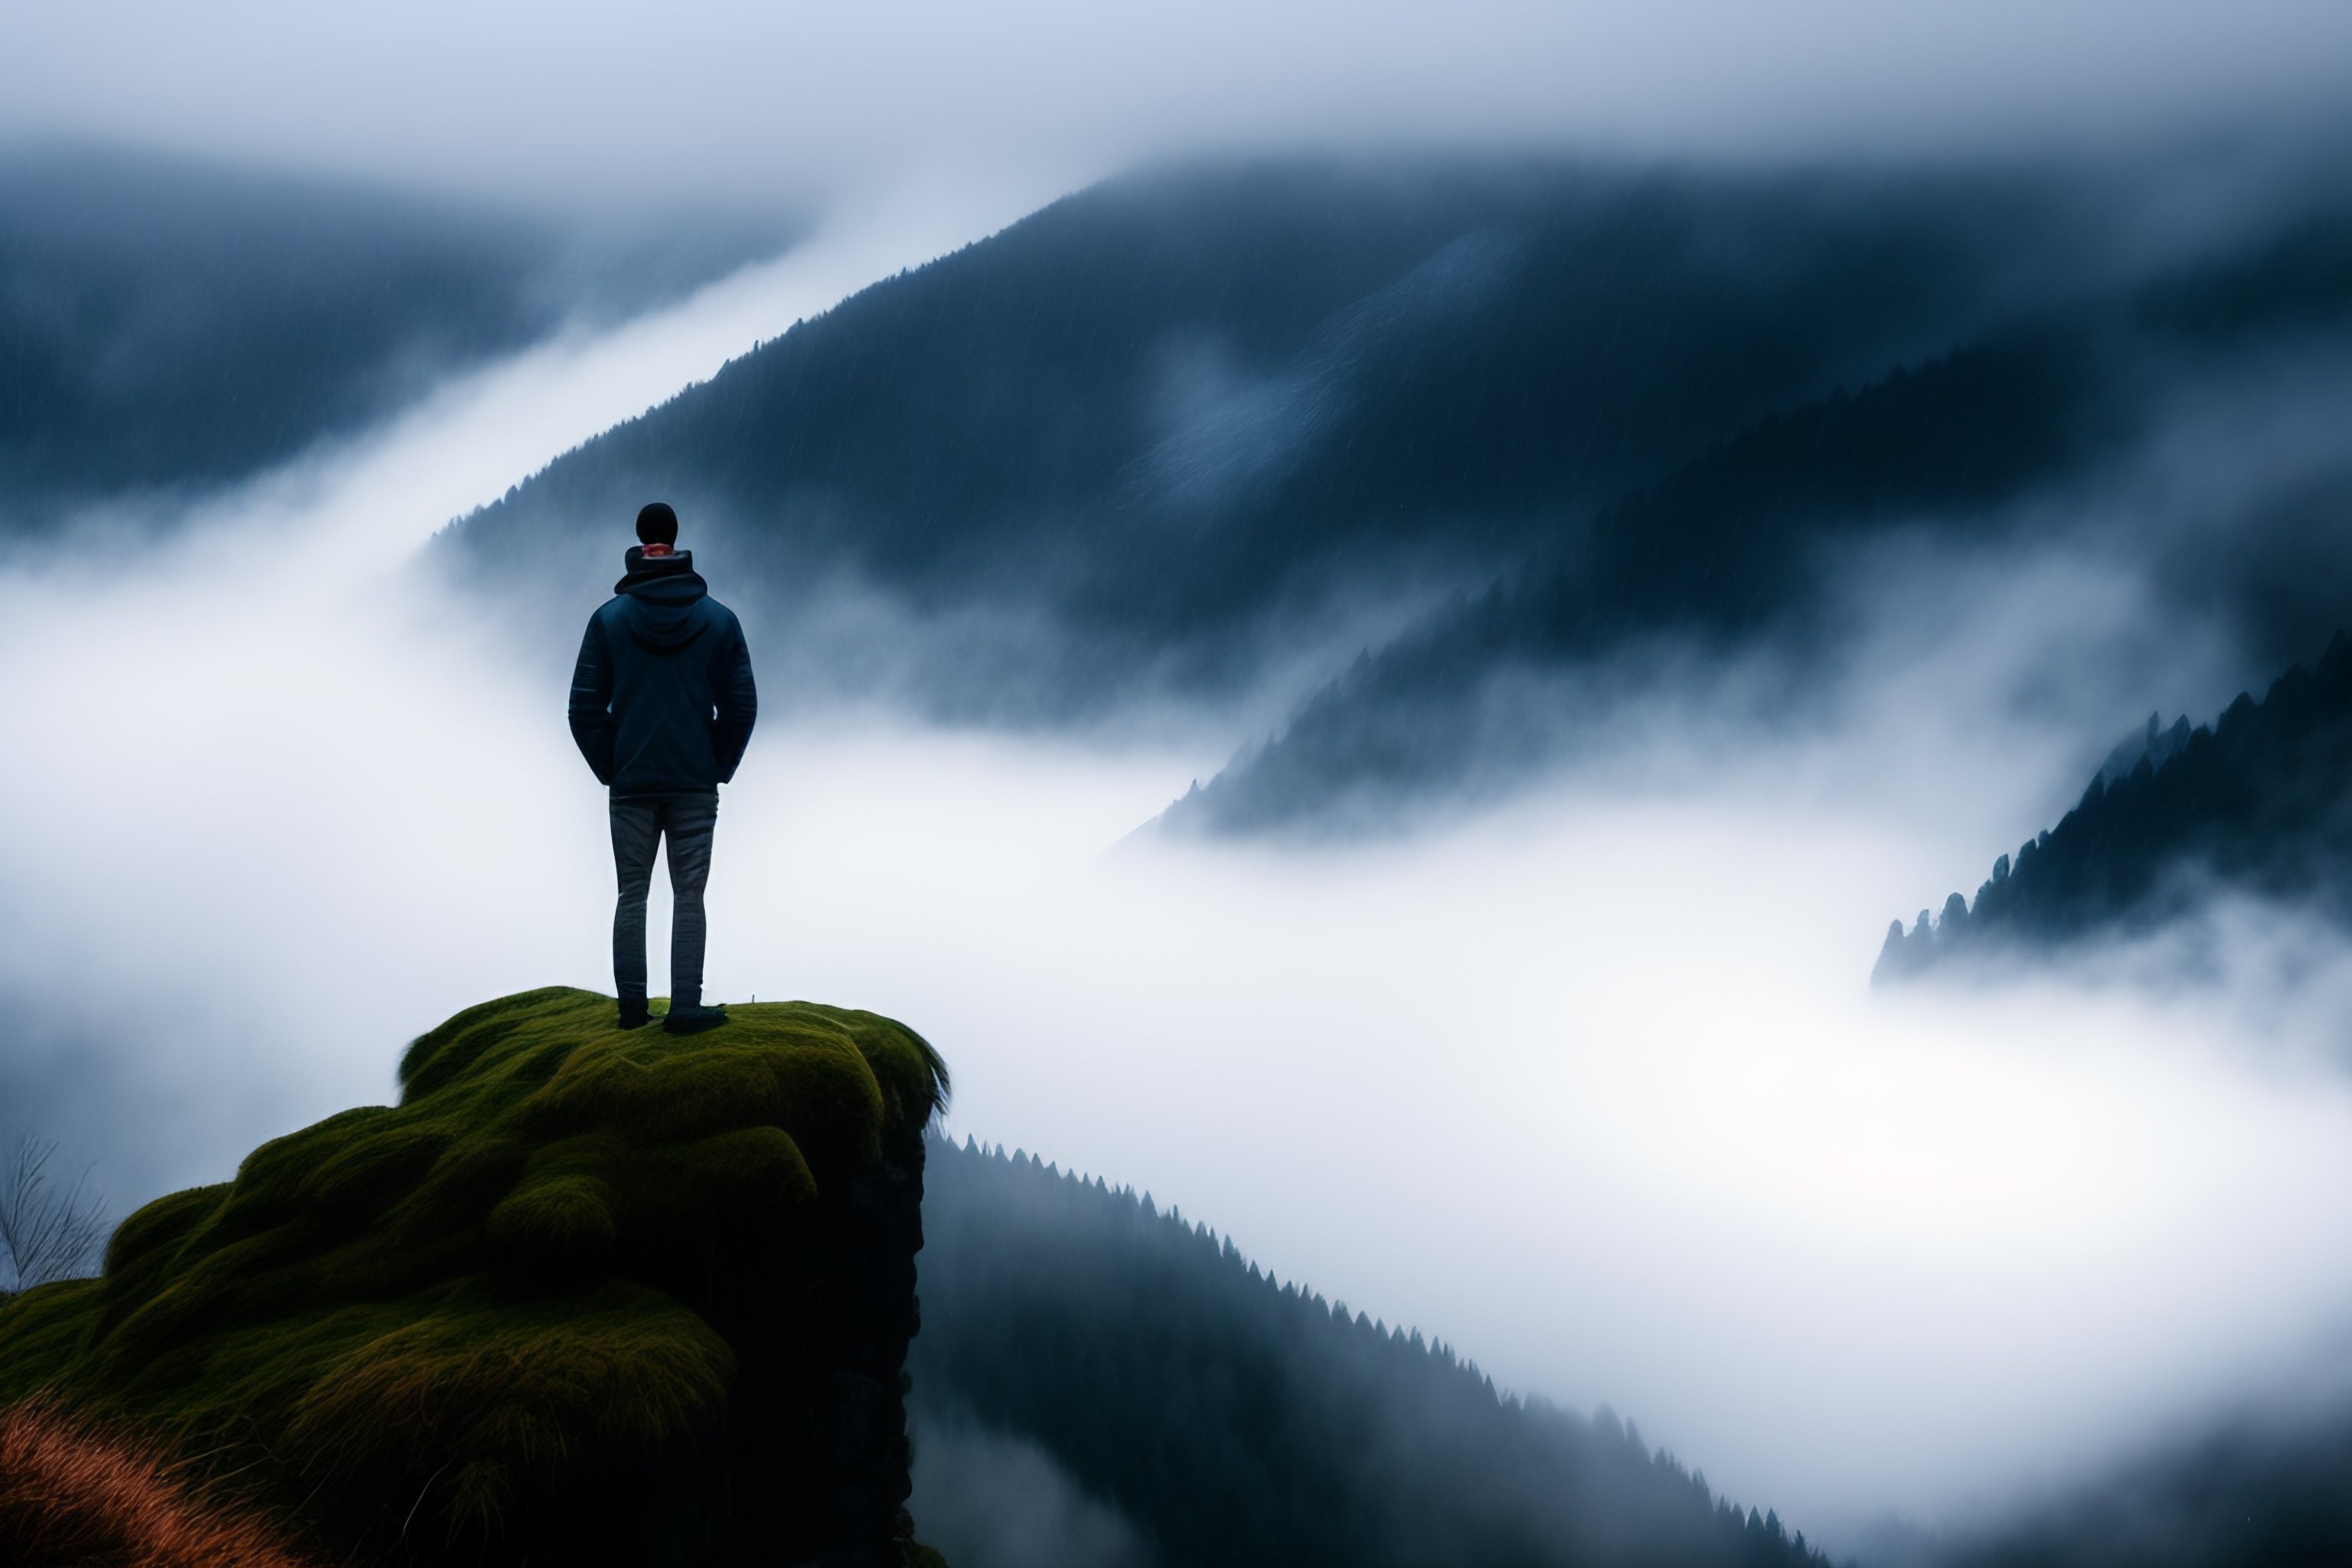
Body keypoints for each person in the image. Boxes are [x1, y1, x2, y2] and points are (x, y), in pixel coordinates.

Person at [568, 502, 757, 1033]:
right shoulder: (718, 619)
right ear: (675, 543)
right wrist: (716, 763)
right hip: (694, 780)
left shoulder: (609, 620)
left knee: (632, 893)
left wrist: (613, 767)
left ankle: (631, 1012)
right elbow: (741, 706)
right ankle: (685, 1007)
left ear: (640, 542)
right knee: (689, 893)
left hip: (632, 781)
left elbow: (583, 708)